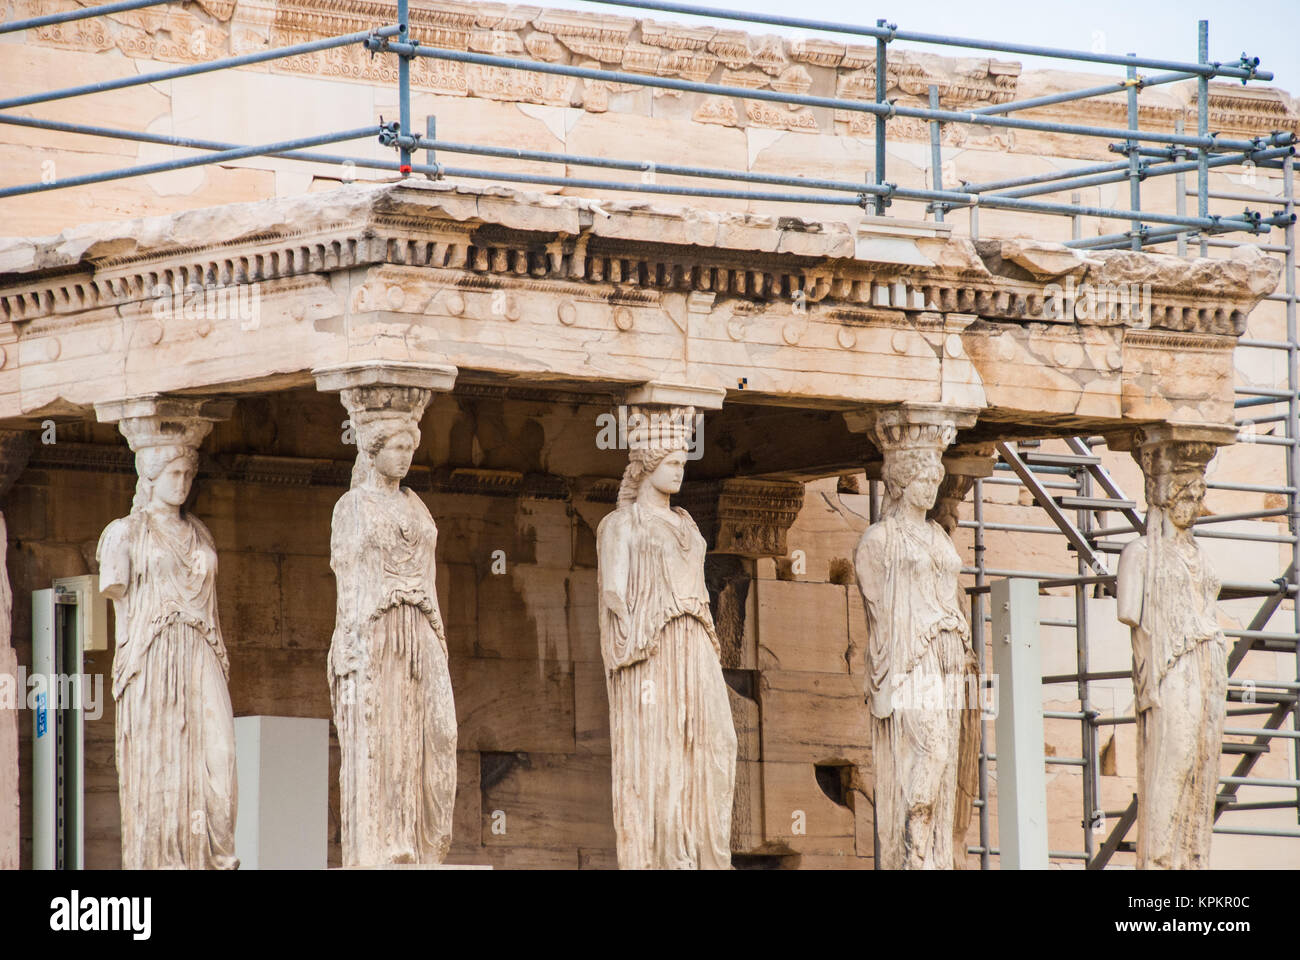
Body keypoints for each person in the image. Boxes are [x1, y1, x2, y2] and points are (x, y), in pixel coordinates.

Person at [597, 408, 737, 869]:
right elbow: (614, 594)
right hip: (653, 647)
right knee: (662, 750)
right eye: (673, 462)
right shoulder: (622, 524)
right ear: (646, 464)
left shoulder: (688, 523)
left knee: (718, 742)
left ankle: (706, 854)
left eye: (682, 462)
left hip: (697, 641)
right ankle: (666, 856)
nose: (680, 469)